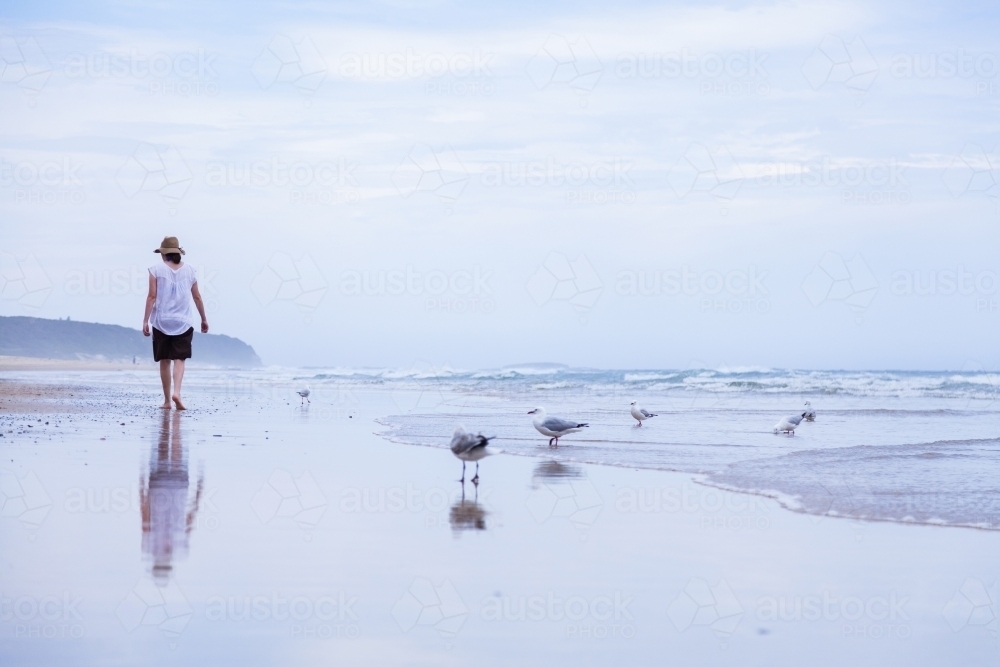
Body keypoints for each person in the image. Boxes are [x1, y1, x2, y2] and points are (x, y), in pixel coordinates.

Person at [142, 236, 209, 410]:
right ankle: (177, 392)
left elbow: (151, 297)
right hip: (183, 321)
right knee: (180, 358)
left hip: (161, 321)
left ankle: (166, 401)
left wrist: (145, 321)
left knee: (164, 360)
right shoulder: (190, 270)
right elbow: (197, 296)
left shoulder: (155, 269)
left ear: (164, 254)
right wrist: (203, 318)